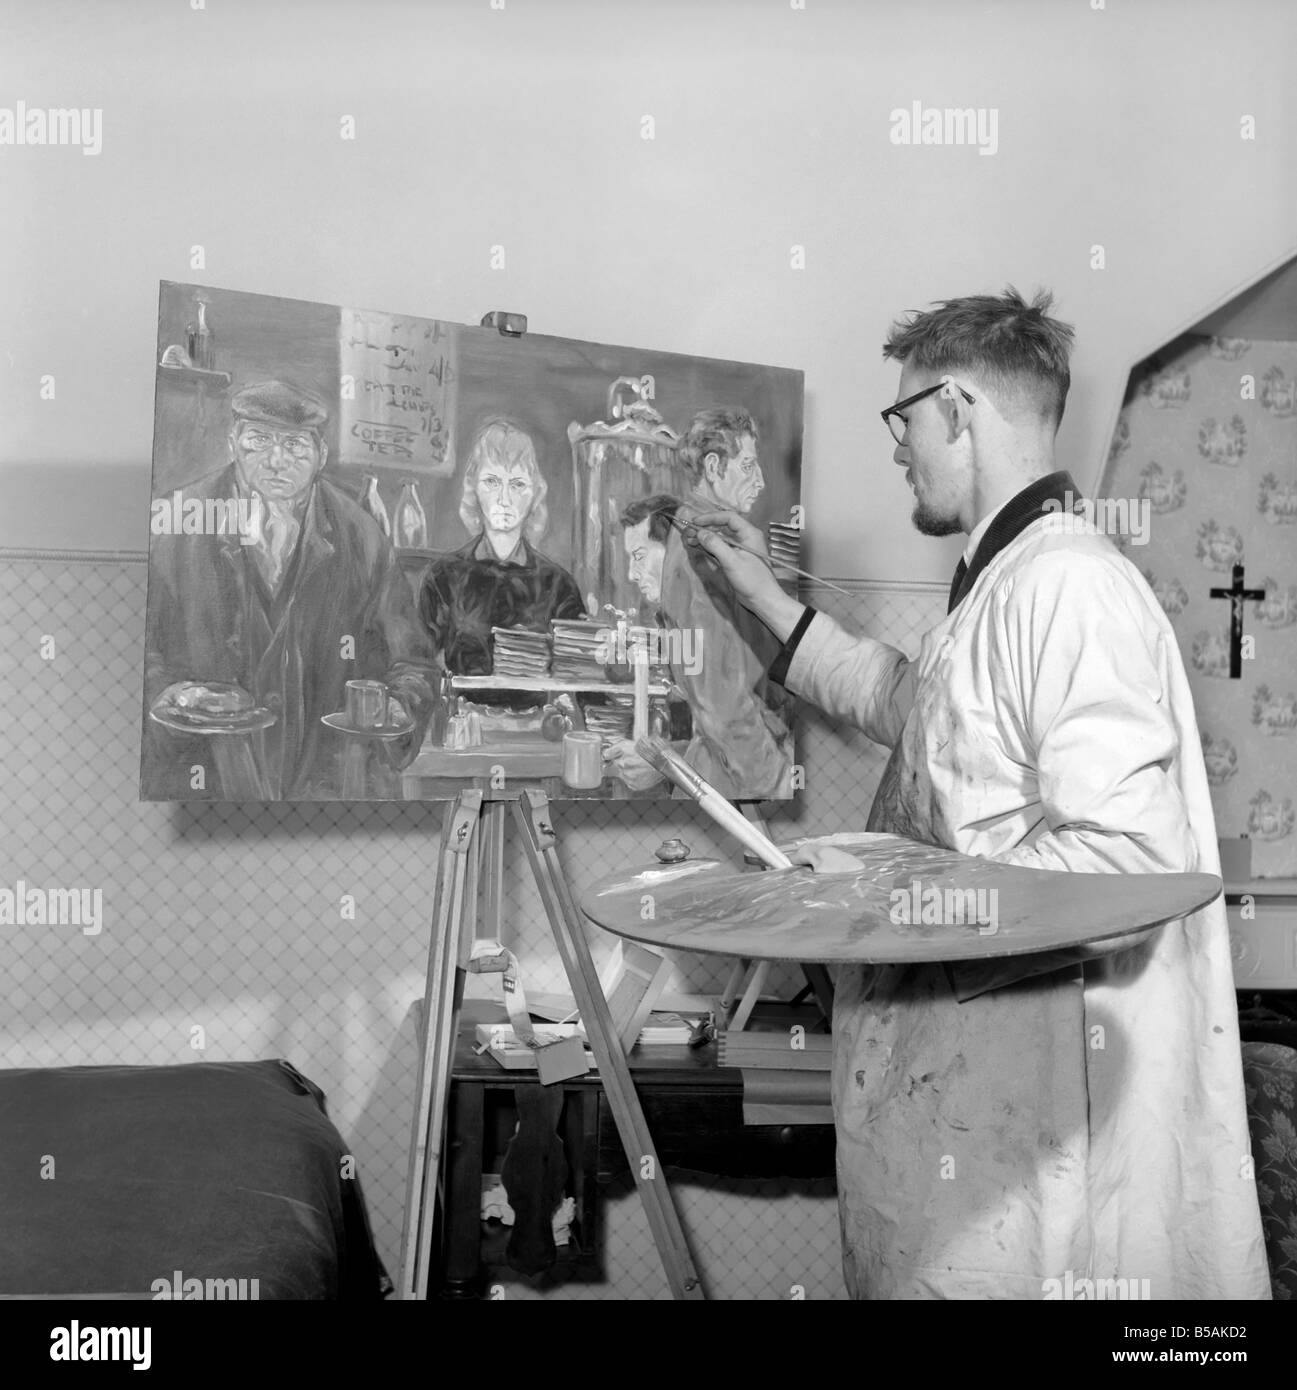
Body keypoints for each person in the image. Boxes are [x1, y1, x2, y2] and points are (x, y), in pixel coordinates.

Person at [687, 288, 1270, 1299]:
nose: (897, 447)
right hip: (967, 1103)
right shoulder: (1002, 587)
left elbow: (1124, 869)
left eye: (903, 418)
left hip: (1025, 1126)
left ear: (957, 409)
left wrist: (880, 890)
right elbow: (913, 709)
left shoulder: (1068, 588)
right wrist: (763, 599)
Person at [143, 380, 436, 800]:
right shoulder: (178, 522)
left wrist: (399, 707)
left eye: (296, 445)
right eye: (259, 440)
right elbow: (136, 653)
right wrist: (170, 695)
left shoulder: (363, 536)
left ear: (321, 456)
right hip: (205, 786)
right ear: (232, 444)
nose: (277, 460)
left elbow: (414, 664)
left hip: (329, 791)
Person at [605, 410, 793, 798]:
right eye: (747, 465)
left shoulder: (713, 539)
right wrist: (774, 781)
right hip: (742, 774)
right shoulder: (699, 552)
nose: (759, 479)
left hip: (734, 767)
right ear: (713, 467)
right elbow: (721, 703)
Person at [418, 419, 585, 680]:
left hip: (540, 720)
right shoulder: (444, 577)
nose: (504, 499)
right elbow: (419, 663)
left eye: (517, 484)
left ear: (535, 494)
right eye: (492, 482)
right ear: (473, 487)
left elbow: (578, 674)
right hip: (463, 717)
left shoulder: (559, 586)